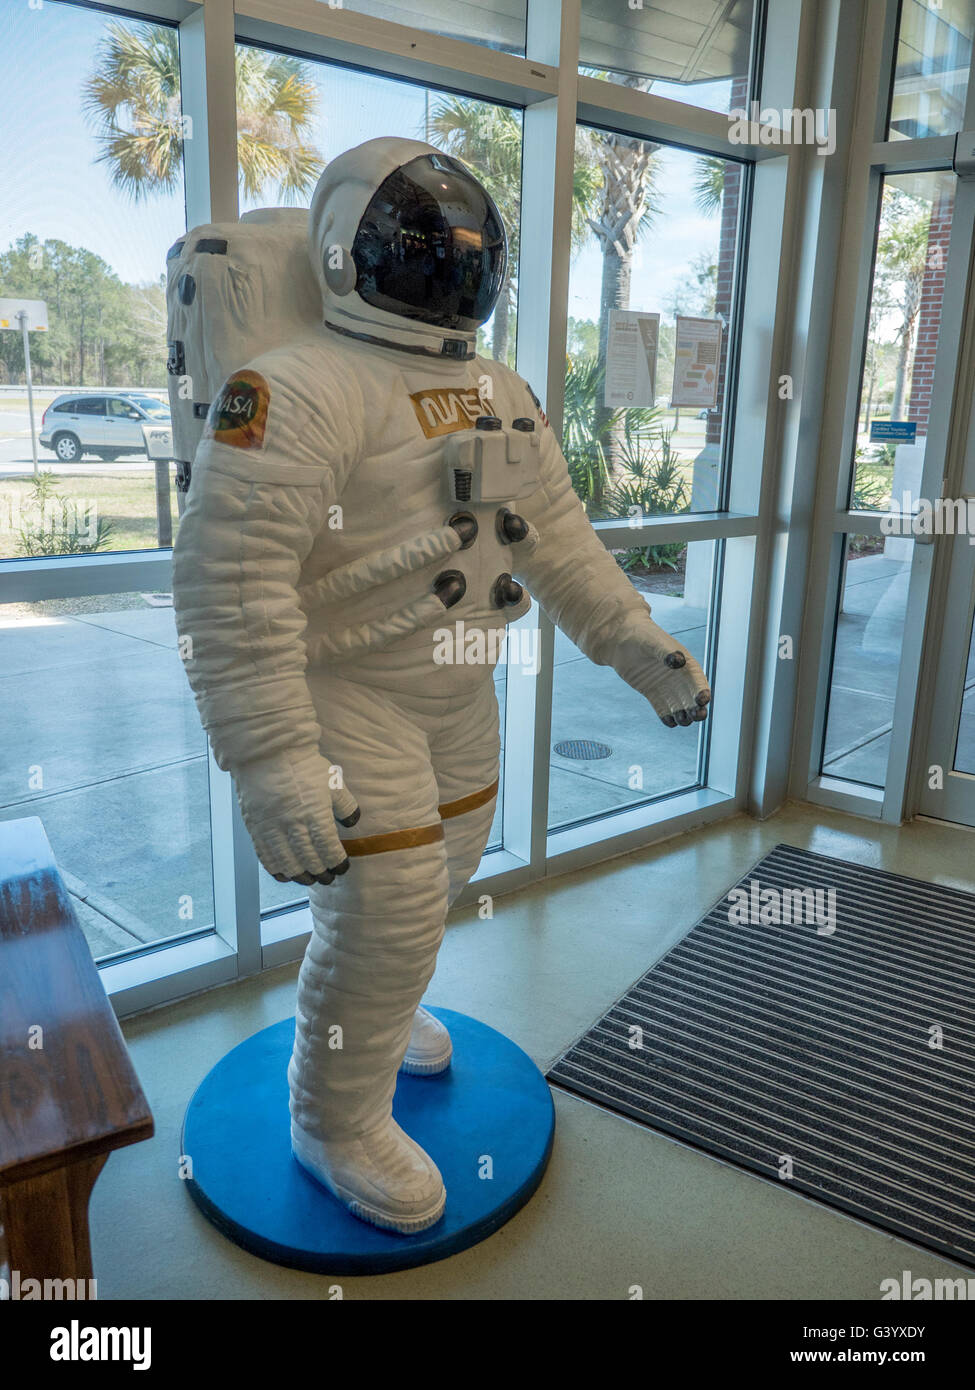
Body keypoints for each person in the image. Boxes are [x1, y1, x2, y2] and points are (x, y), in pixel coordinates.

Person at [172, 136, 710, 1236]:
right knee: (391, 900)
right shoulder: (292, 390)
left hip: (460, 679)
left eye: (463, 249)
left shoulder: (494, 386)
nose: (448, 267)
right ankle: (332, 1120)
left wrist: (635, 641)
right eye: (421, 245)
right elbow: (234, 588)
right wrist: (273, 759)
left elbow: (557, 538)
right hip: (342, 689)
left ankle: (378, 1007)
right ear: (342, 249)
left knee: (448, 867)